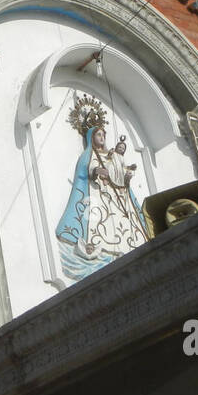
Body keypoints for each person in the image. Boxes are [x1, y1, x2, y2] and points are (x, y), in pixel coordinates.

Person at [55, 99, 149, 280]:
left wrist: (126, 176)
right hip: (98, 193)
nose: (101, 138)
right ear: (92, 137)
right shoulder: (88, 154)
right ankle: (101, 248)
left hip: (115, 193)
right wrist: (96, 170)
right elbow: (84, 171)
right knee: (100, 221)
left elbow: (119, 174)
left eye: (103, 136)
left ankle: (124, 248)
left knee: (121, 222)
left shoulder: (112, 156)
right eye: (98, 135)